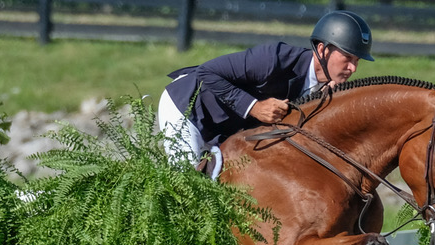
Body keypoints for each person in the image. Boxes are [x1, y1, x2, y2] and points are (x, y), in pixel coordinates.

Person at [157, 10, 374, 170]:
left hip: (226, 130)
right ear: (322, 50)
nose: (353, 68)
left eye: (357, 61)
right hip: (188, 109)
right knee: (188, 188)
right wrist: (255, 107)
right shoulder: (274, 59)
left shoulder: (325, 89)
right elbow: (207, 72)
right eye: (347, 58)